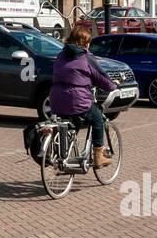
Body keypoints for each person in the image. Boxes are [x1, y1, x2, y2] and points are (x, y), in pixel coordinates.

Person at [48, 22, 117, 169]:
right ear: (85, 42)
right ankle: (98, 156)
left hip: (55, 99)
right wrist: (112, 86)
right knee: (97, 118)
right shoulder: (86, 57)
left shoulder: (61, 55)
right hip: (77, 99)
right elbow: (101, 77)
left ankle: (64, 151)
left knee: (74, 121)